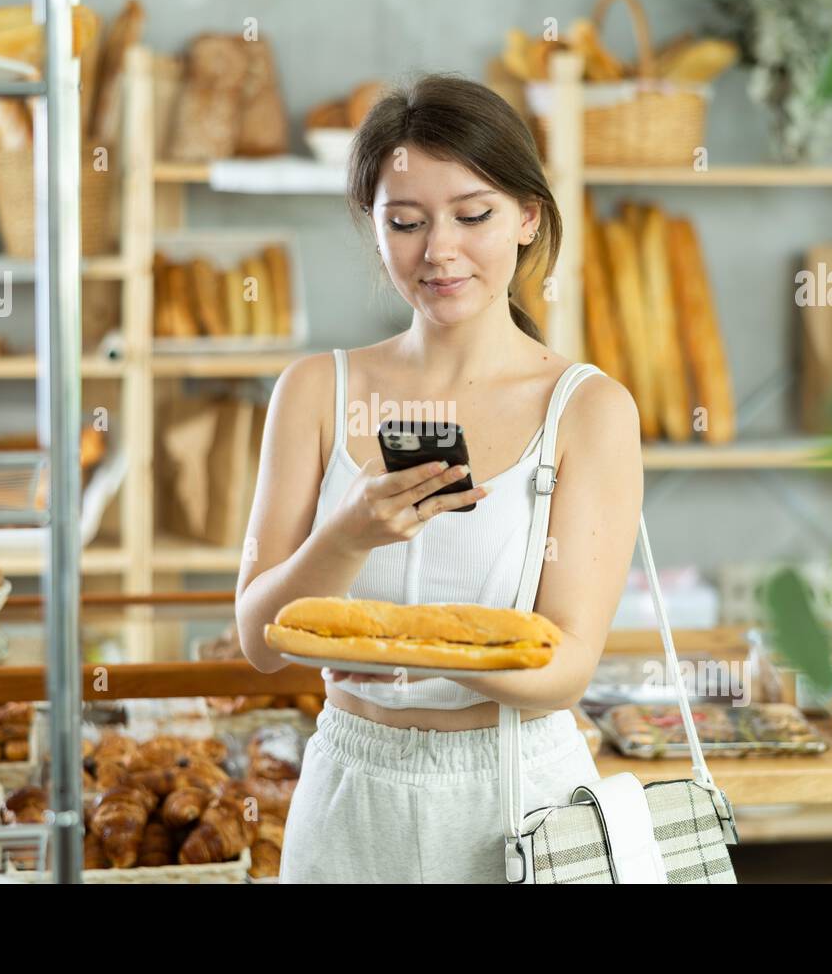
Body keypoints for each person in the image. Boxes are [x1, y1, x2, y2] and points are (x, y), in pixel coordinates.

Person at [235, 72, 643, 883]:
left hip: (517, 794)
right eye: (406, 222)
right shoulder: (317, 391)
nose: (440, 250)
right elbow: (260, 640)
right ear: (376, 229)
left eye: (473, 214)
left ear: (528, 216)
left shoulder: (588, 409)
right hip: (350, 791)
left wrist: (402, 645)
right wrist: (346, 534)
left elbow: (565, 668)